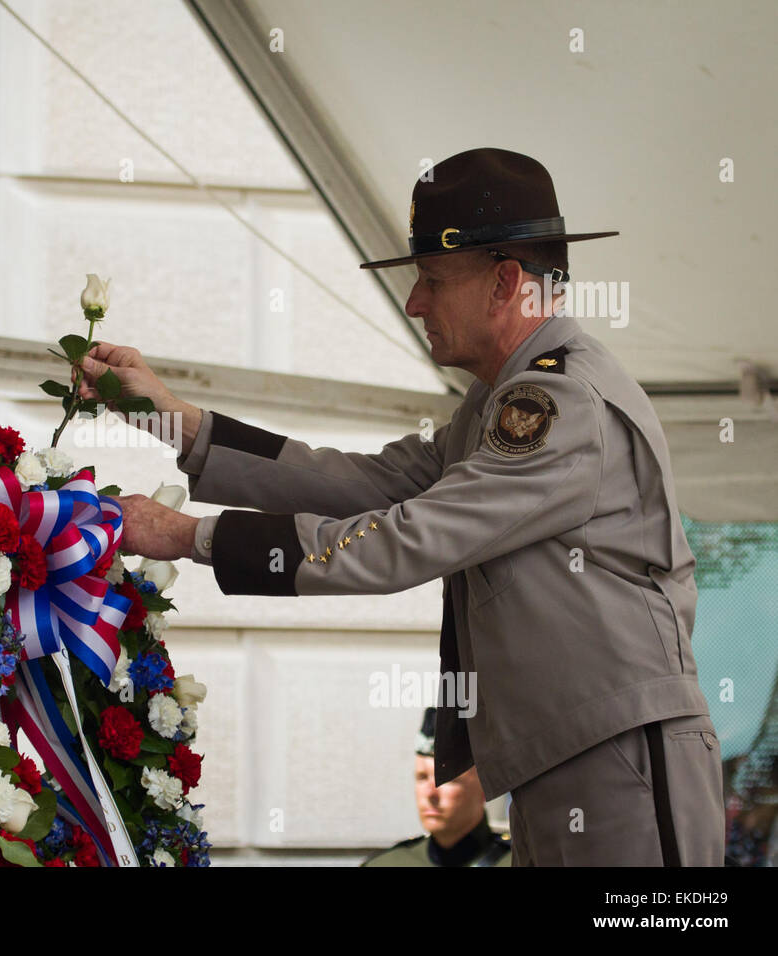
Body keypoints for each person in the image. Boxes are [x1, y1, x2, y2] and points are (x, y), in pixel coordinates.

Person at [82, 148, 724, 866]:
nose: (416, 303)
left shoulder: (559, 401)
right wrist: (170, 418)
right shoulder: (503, 398)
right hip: (580, 754)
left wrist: (191, 536)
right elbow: (363, 485)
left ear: (505, 282)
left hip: (613, 755)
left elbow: (404, 540)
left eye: (433, 280)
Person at [363, 708, 510, 866]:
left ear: (486, 786)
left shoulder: (519, 861)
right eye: (422, 777)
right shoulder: (386, 863)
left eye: (446, 780)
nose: (430, 793)